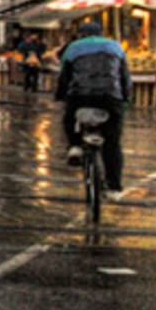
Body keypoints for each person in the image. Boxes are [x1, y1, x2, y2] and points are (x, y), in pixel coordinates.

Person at [55, 21, 132, 194]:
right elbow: (125, 76)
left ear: (81, 34)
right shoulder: (116, 47)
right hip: (111, 97)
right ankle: (114, 187)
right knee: (112, 143)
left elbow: (64, 77)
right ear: (102, 33)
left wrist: (60, 95)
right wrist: (126, 98)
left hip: (80, 96)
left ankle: (74, 145)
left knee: (69, 117)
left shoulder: (73, 48)